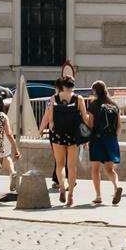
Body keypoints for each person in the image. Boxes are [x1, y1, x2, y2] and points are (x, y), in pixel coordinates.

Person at [40, 77, 84, 207]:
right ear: (73, 85)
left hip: (57, 135)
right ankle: (70, 195)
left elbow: (47, 117)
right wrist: (87, 135)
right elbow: (85, 117)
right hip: (73, 136)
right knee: (72, 166)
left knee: (60, 165)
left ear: (62, 86)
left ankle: (62, 188)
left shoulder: (53, 99)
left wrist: (40, 130)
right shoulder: (79, 99)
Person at [82, 81, 124, 207]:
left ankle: (98, 196)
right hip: (111, 139)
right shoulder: (114, 105)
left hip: (97, 139)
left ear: (95, 91)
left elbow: (90, 124)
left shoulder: (94, 105)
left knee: (95, 169)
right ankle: (117, 187)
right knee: (109, 169)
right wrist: (113, 138)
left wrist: (86, 140)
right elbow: (119, 125)